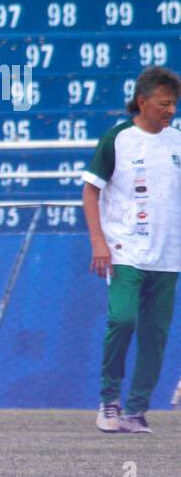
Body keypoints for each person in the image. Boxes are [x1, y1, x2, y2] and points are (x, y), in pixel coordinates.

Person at [82, 65, 181, 433]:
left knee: (156, 335)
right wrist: (98, 242)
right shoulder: (117, 138)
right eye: (163, 103)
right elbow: (91, 190)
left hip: (169, 256)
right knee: (123, 320)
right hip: (125, 251)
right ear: (142, 102)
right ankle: (109, 401)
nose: (170, 110)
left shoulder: (177, 140)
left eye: (174, 104)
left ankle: (136, 411)